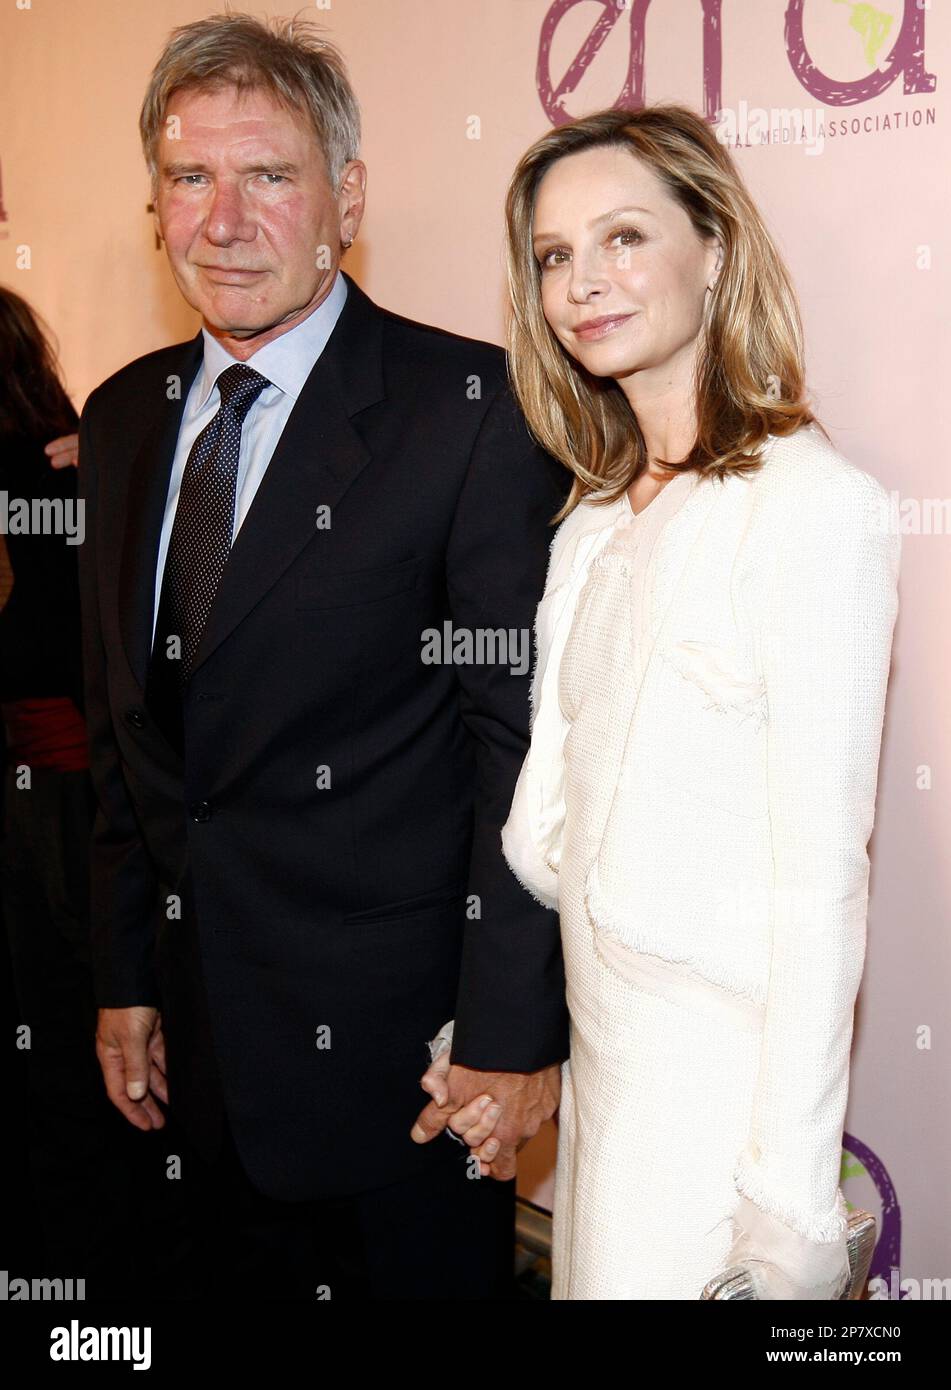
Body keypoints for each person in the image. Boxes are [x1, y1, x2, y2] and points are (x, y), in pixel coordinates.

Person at [77, 13, 569, 1300]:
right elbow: (132, 734)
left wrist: (511, 1036)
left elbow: (517, 749)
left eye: (270, 175)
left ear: (346, 196)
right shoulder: (123, 417)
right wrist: (126, 975)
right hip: (195, 1059)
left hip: (400, 1078)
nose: (224, 219)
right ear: (156, 203)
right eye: (191, 178)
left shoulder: (469, 413)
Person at [417, 105, 901, 1299]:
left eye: (624, 238)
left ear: (717, 249)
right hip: (605, 1099)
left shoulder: (808, 507)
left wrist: (784, 1214)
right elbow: (549, 836)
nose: (584, 281)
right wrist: (495, 1050)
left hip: (726, 1135)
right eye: (555, 255)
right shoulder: (588, 521)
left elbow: (820, 889)